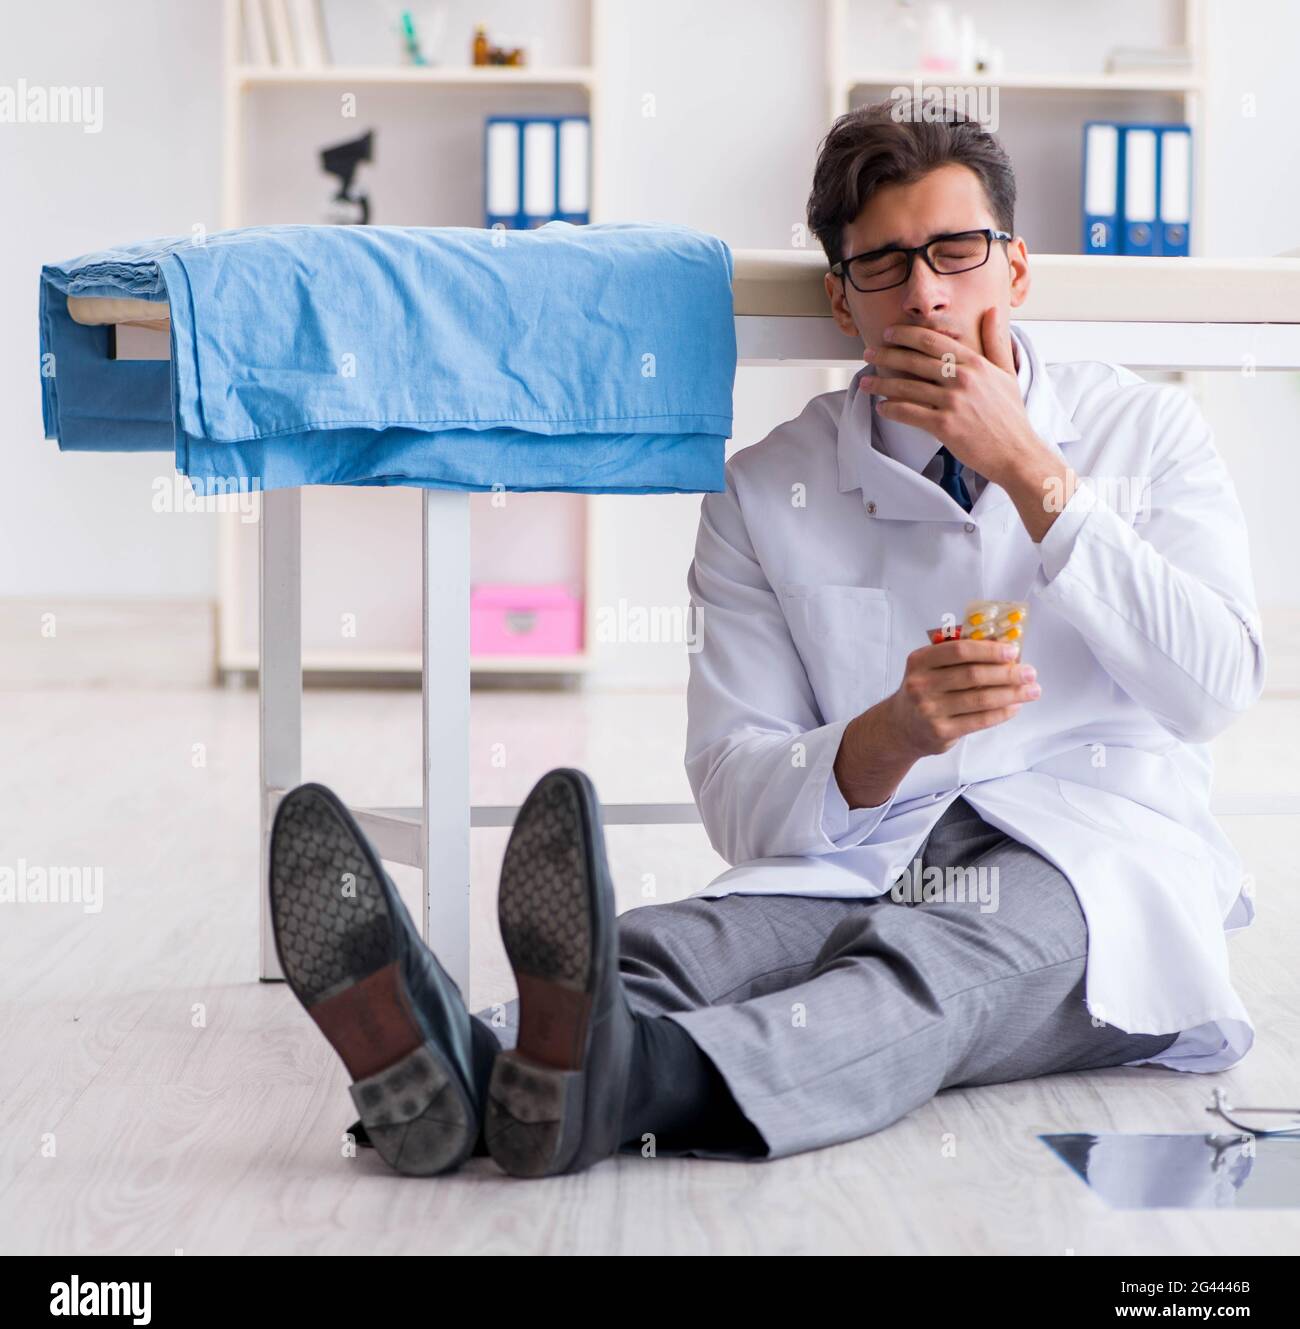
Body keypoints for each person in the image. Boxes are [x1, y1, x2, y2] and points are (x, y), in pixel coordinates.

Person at [269, 95, 1264, 1178]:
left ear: (1015, 271)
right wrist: (883, 734)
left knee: (922, 970)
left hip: (1089, 862)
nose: (925, 291)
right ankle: (459, 1066)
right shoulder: (764, 490)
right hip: (868, 850)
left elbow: (1212, 686)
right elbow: (739, 797)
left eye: (955, 251)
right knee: (675, 944)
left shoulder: (1147, 431)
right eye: (884, 265)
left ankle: (614, 1085)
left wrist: (1034, 473)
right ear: (843, 301)